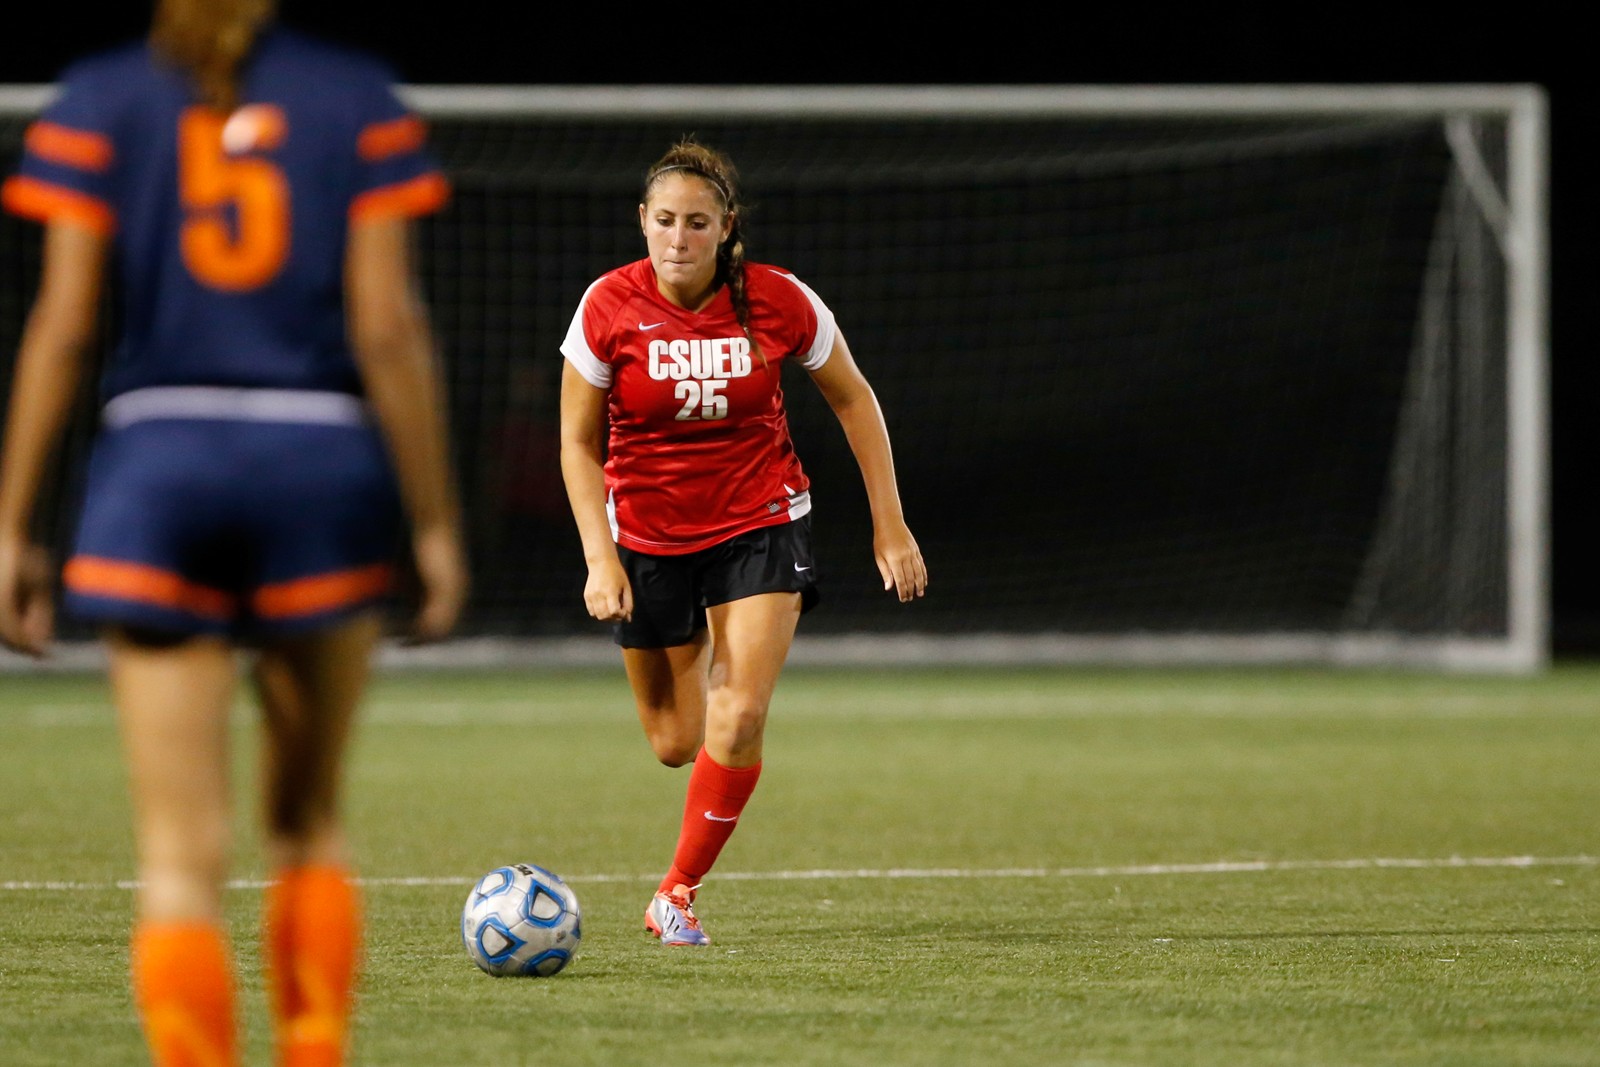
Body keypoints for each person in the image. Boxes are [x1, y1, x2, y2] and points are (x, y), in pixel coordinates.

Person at [0, 2, 467, 1064]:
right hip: (317, 467)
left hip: (158, 468)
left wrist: (12, 523)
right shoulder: (354, 97)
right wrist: (434, 521)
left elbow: (63, 326)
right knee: (306, 823)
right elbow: (387, 327)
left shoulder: (101, 98)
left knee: (179, 857)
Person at [559, 138, 927, 946]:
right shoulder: (607, 305)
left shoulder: (778, 299)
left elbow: (854, 399)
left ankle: (676, 893)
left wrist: (890, 521)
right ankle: (702, 674)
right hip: (648, 535)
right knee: (676, 742)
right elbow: (577, 443)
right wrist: (599, 557)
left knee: (740, 713)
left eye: (698, 222)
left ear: (727, 227)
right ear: (643, 221)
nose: (679, 237)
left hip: (760, 522)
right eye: (665, 220)